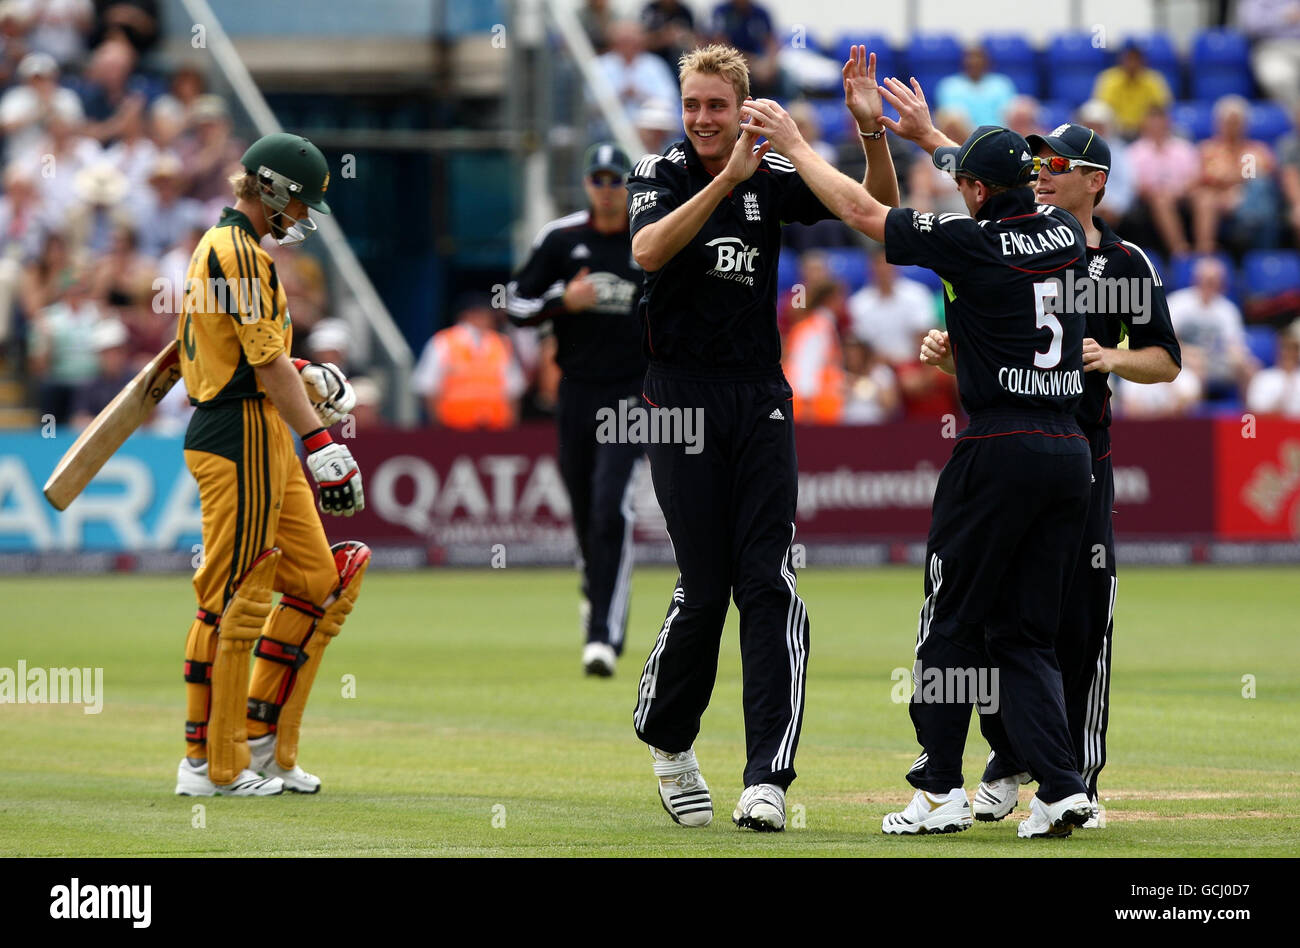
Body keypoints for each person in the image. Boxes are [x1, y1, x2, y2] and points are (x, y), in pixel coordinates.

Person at [743, 68, 1098, 838]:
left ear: (972, 190)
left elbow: (863, 210)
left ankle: (938, 787)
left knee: (950, 624)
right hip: (1069, 448)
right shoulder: (1066, 235)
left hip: (997, 445)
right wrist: (932, 140)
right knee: (1027, 633)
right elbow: (993, 185)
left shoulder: (970, 245)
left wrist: (799, 145)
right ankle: (1065, 786)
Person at [625, 44, 895, 832]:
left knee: (768, 583)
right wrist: (725, 181)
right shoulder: (661, 173)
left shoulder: (771, 174)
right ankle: (670, 739)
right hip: (678, 397)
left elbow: (871, 214)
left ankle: (767, 778)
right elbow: (646, 252)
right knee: (705, 589)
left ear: (743, 107)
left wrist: (869, 133)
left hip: (758, 396)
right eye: (693, 105)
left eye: (717, 105)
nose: (703, 119)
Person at [926, 122, 1181, 829]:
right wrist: (959, 357)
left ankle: (1076, 779)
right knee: (996, 617)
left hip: (1083, 452)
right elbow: (987, 178)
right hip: (1029, 440)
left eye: (1059, 164)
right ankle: (1009, 760)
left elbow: (1165, 359)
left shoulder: (1122, 264)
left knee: (1077, 621)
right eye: (1036, 162)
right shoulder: (1026, 241)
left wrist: (1109, 359)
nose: (1041, 172)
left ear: (1097, 181)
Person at [174, 132, 367, 798]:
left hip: (256, 427)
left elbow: (259, 357)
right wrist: (323, 444)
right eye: (301, 202)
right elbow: (258, 364)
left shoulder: (235, 251)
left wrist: (308, 374)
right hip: (236, 435)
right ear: (274, 188)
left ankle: (262, 742)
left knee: (321, 584)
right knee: (237, 596)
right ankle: (211, 765)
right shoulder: (233, 252)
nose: (303, 217)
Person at [506, 142, 648, 678]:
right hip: (577, 389)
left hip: (635, 392)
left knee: (613, 503)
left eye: (617, 180)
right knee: (585, 503)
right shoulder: (562, 239)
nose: (608, 189)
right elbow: (515, 303)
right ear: (587, 184)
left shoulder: (648, 234)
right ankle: (596, 585)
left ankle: (603, 638)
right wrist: (562, 301)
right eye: (600, 179)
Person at [413, 293, 526, 429]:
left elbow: (514, 390)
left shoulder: (500, 344)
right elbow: (427, 387)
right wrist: (438, 424)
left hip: (495, 428)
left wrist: (510, 425)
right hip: (453, 428)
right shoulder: (443, 342)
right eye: (482, 314)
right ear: (467, 315)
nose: (488, 319)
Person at [1166, 256, 1255, 400]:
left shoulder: (1228, 309)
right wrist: (1188, 354)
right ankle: (1199, 419)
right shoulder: (1178, 302)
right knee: (1198, 365)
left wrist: (1240, 359)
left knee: (1249, 368)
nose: (1210, 284)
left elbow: (1233, 344)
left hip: (1217, 359)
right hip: (1184, 359)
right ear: (1196, 279)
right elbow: (1167, 340)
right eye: (1206, 280)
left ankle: (1249, 417)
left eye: (1215, 281)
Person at [1126, 104, 1199, 256]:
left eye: (1160, 123)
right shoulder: (1135, 151)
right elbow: (1136, 185)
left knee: (1206, 199)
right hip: (1150, 199)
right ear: (1144, 126)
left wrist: (1179, 191)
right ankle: (1180, 250)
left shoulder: (1183, 148)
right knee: (1161, 200)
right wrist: (1159, 192)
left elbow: (1195, 177)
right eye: (1153, 124)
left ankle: (1204, 249)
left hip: (1183, 195)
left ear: (1168, 124)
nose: (1157, 128)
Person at [1091, 39, 1172, 138]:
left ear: (1143, 61)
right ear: (1121, 60)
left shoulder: (1153, 80)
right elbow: (1102, 110)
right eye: (1129, 59)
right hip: (1116, 132)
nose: (1132, 63)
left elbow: (1160, 109)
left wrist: (1143, 124)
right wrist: (1121, 126)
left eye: (1136, 59)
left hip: (1145, 132)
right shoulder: (1108, 79)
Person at [935, 43, 1016, 130]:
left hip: (999, 135)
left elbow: (1010, 115)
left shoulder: (1002, 84)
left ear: (987, 61)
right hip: (964, 139)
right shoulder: (949, 86)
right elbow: (947, 118)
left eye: (978, 57)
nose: (974, 61)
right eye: (970, 57)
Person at [1246, 321, 1300, 416]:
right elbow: (1255, 411)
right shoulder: (1263, 378)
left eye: (1293, 348)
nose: (1288, 353)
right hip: (1270, 428)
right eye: (1285, 347)